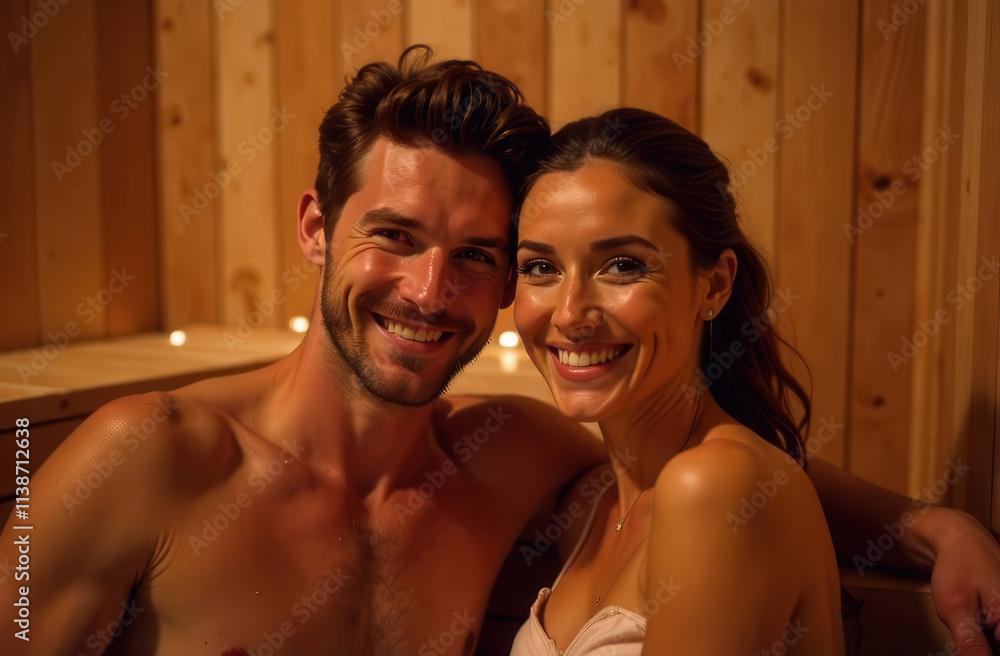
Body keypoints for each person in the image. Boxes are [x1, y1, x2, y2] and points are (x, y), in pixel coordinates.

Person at [0, 46, 997, 655]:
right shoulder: (149, 454)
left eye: (477, 254)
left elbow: (729, 468)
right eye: (391, 235)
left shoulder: (503, 452)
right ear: (315, 226)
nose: (431, 292)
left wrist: (930, 527)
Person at [509, 108, 842, 653]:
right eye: (540, 268)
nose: (570, 314)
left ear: (714, 286)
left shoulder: (715, 485)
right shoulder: (600, 505)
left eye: (621, 265)